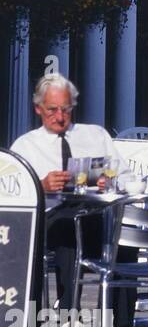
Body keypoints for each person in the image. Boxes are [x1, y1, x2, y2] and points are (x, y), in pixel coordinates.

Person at [11, 74, 116, 314]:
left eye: (66, 110)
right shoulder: (25, 146)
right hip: (51, 220)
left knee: (122, 235)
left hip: (95, 213)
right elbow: (11, 193)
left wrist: (109, 180)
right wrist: (40, 185)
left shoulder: (95, 135)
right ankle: (69, 313)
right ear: (38, 109)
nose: (60, 117)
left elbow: (125, 176)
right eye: (52, 110)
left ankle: (121, 320)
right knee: (69, 228)